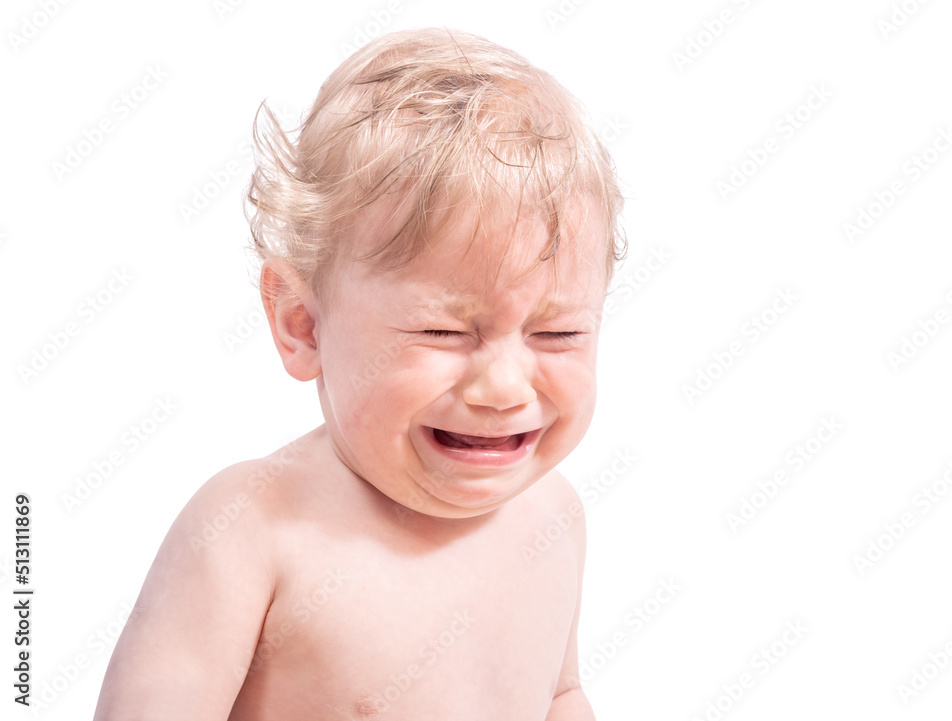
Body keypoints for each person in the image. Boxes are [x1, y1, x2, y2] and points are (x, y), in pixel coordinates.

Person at [94, 26, 625, 720]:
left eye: (558, 333)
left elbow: (558, 693)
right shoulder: (251, 532)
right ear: (303, 324)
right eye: (443, 331)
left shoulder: (554, 516)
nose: (503, 387)